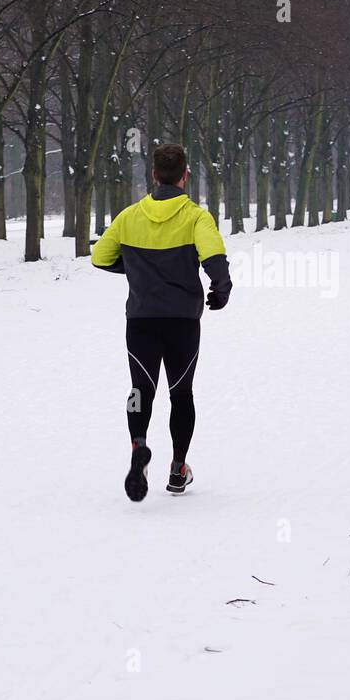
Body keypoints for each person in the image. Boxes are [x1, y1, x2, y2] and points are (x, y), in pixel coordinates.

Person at [91, 143, 232, 502]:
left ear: (154, 175)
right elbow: (213, 255)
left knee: (141, 390)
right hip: (182, 320)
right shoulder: (197, 217)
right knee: (181, 393)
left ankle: (139, 445)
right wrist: (221, 287)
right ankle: (178, 467)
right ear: (185, 176)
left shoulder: (129, 216)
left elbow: (100, 257)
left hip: (141, 320)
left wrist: (138, 269)